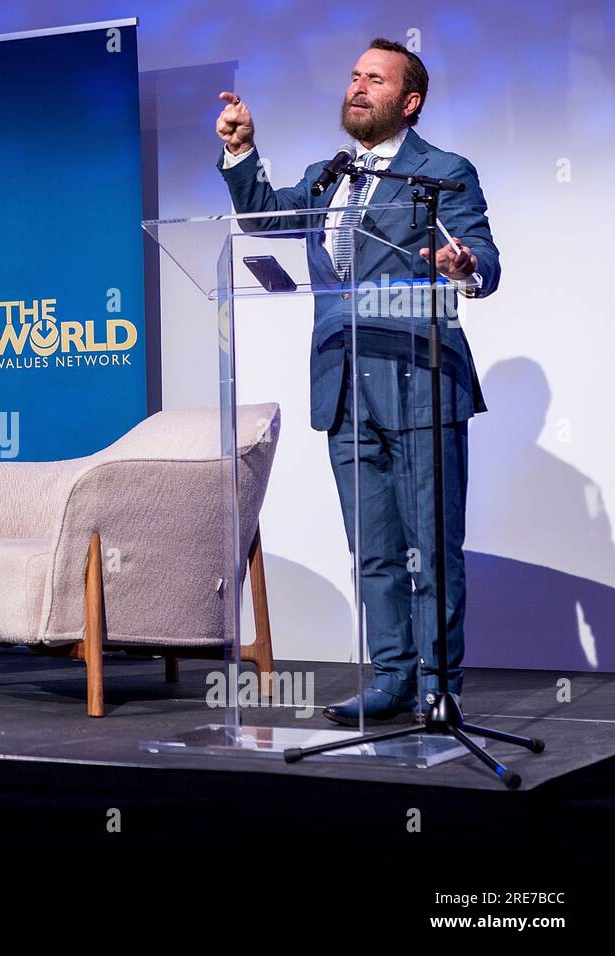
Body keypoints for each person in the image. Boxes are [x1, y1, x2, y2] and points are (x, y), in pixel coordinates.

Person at [214, 38, 501, 725]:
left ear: (409, 102)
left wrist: (463, 267)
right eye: (353, 77)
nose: (357, 88)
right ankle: (392, 678)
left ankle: (440, 685)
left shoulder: (442, 170)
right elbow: (266, 215)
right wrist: (240, 153)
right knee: (372, 547)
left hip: (420, 384)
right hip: (343, 387)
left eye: (375, 79)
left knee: (431, 548)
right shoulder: (327, 174)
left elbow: (481, 256)